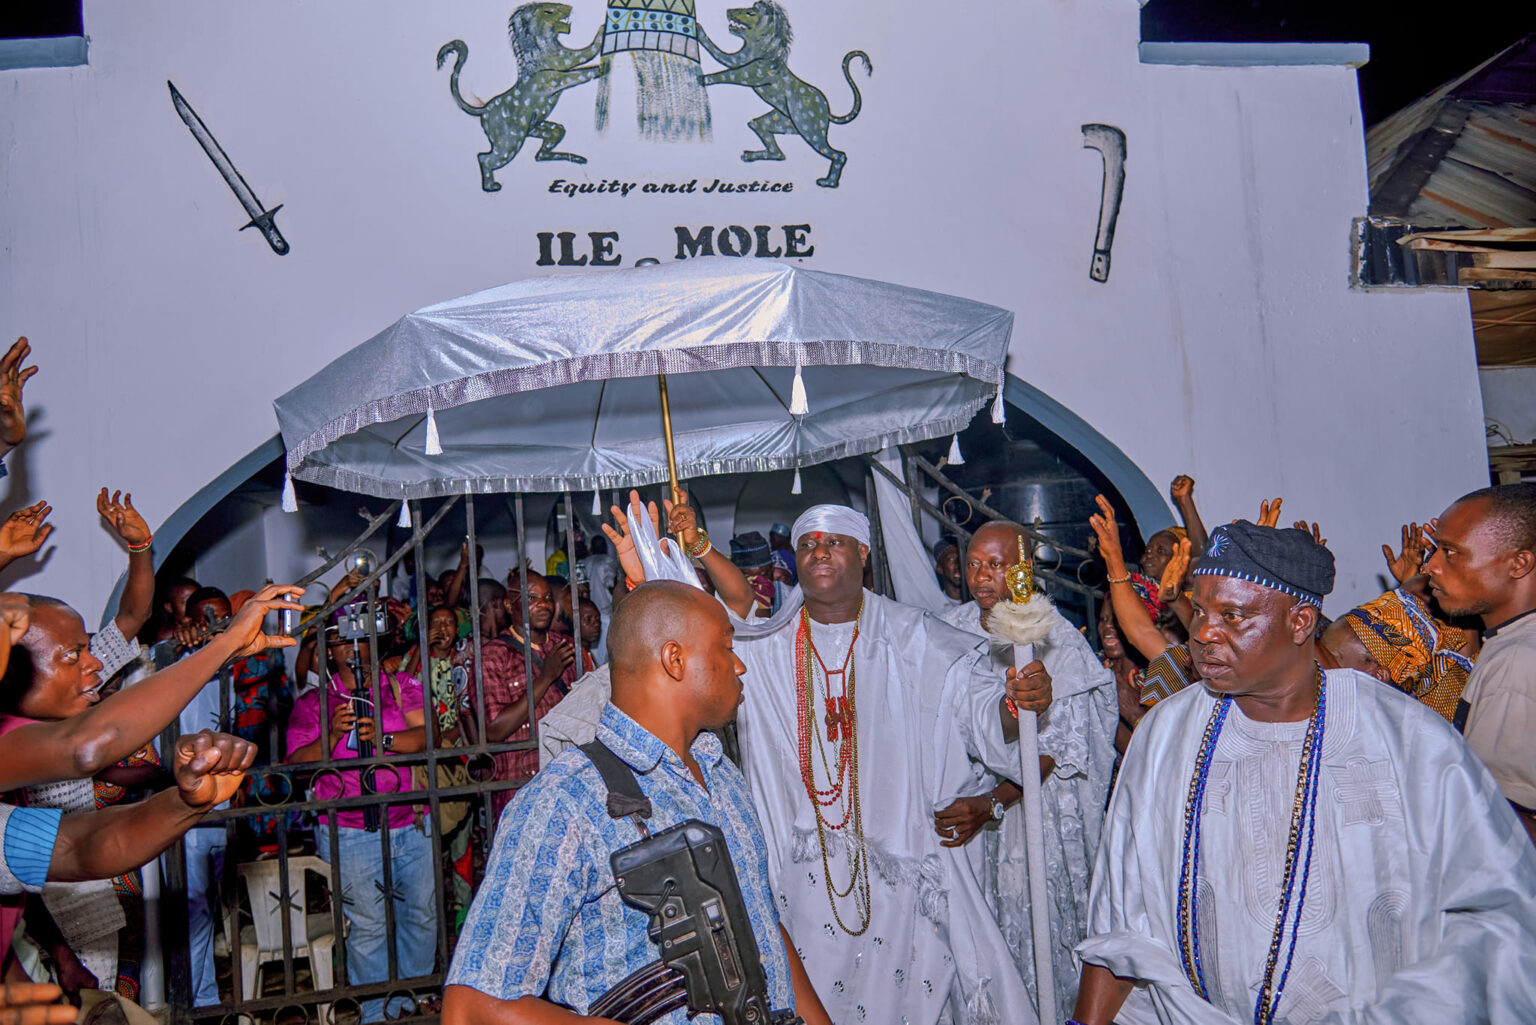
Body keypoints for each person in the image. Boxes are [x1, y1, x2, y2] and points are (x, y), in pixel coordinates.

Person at [1074, 520, 1536, 1024]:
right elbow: (1121, 917)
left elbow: (1494, 911)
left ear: (1299, 623)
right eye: (1202, 611)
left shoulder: (1406, 740)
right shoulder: (1166, 733)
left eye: (1233, 615)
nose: (1204, 632)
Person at [442, 580, 831, 1025]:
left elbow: (760, 922)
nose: (739, 665)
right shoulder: (565, 800)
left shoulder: (722, 775)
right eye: (726, 648)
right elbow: (473, 1008)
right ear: (675, 659)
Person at [727, 506, 1045, 1025]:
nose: (820, 553)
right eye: (808, 544)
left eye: (835, 542)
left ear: (864, 555)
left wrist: (1015, 705)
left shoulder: (919, 637)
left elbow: (982, 716)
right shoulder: (764, 650)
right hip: (807, 877)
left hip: (904, 867)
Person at [936, 521, 1118, 1014]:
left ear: (1023, 569)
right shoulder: (945, 630)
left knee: (1032, 935)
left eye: (995, 565)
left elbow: (1061, 743)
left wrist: (994, 802)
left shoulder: (1054, 636)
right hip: (963, 806)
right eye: (973, 564)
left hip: (1027, 815)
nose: (980, 576)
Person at [286, 630, 435, 1023]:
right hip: (349, 828)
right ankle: (376, 1011)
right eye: (341, 640)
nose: (353, 646)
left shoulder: (401, 685)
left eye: (363, 635)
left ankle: (415, 997)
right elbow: (295, 767)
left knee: (420, 914)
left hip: (411, 818)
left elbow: (428, 735)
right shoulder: (313, 702)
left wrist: (385, 739)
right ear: (329, 651)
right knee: (367, 924)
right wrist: (332, 734)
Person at [1423, 482, 1536, 843]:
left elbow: (1502, 822)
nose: (1431, 566)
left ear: (1519, 563)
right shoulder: (1509, 642)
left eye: (1451, 552)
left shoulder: (1516, 660)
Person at [478, 571, 578, 824]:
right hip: (520, 787)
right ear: (509, 605)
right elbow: (494, 730)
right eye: (532, 597)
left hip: (568, 780)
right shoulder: (493, 655)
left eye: (546, 597)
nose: (543, 604)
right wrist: (545, 678)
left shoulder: (564, 645)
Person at [730, 531, 781, 616]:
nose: (758, 583)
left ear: (772, 568)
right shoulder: (729, 599)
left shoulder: (787, 596)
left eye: (763, 574)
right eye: (747, 577)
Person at [933, 534, 964, 605]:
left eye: (961, 558)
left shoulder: (980, 602)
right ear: (939, 569)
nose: (958, 564)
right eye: (951, 559)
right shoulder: (935, 606)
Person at [768, 522, 797, 586]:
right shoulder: (771, 554)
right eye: (771, 536)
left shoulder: (789, 556)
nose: (773, 539)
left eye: (778, 537)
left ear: (785, 539)